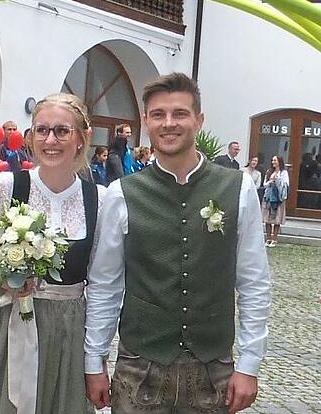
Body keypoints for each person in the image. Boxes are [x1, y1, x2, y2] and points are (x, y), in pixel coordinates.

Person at [85, 73, 271, 414]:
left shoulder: (239, 189)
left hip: (213, 370)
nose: (169, 123)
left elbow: (254, 282)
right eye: (158, 115)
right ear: (146, 122)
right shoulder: (122, 194)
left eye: (180, 113)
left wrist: (249, 365)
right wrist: (94, 360)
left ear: (198, 120)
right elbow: (105, 285)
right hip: (139, 369)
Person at [0, 93, 103, 414]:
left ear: (82, 138)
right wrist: (6, 278)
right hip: (11, 321)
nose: (50, 140)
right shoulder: (6, 186)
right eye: (42, 130)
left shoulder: (98, 199)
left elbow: (102, 282)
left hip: (68, 328)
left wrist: (96, 355)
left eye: (62, 131)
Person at [262, 155, 289, 247]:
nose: (273, 162)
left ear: (279, 162)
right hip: (269, 196)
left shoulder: (283, 172)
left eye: (275, 160)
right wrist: (269, 182)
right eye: (272, 160)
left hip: (278, 197)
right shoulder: (269, 172)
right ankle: (268, 238)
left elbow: (286, 184)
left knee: (277, 218)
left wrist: (277, 180)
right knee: (267, 218)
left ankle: (275, 239)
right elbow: (264, 184)